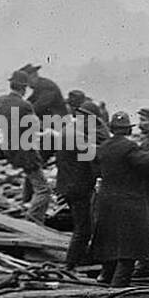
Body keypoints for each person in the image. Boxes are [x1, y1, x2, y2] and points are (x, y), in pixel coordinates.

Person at [90, 112, 149, 287]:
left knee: (110, 241)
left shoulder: (103, 147)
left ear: (112, 128)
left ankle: (105, 276)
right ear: (128, 130)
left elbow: (96, 169)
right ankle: (118, 286)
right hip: (129, 201)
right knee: (130, 246)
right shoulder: (130, 147)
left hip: (106, 200)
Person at [0, 70, 50, 224]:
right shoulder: (25, 105)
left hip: (9, 148)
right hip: (25, 151)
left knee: (30, 177)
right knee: (44, 190)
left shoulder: (1, 101)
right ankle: (32, 221)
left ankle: (24, 205)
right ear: (24, 88)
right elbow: (36, 126)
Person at [57, 100, 100, 270]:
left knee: (82, 225)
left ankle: (79, 259)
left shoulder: (68, 130)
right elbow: (94, 155)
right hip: (78, 187)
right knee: (83, 229)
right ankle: (71, 263)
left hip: (68, 184)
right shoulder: (77, 136)